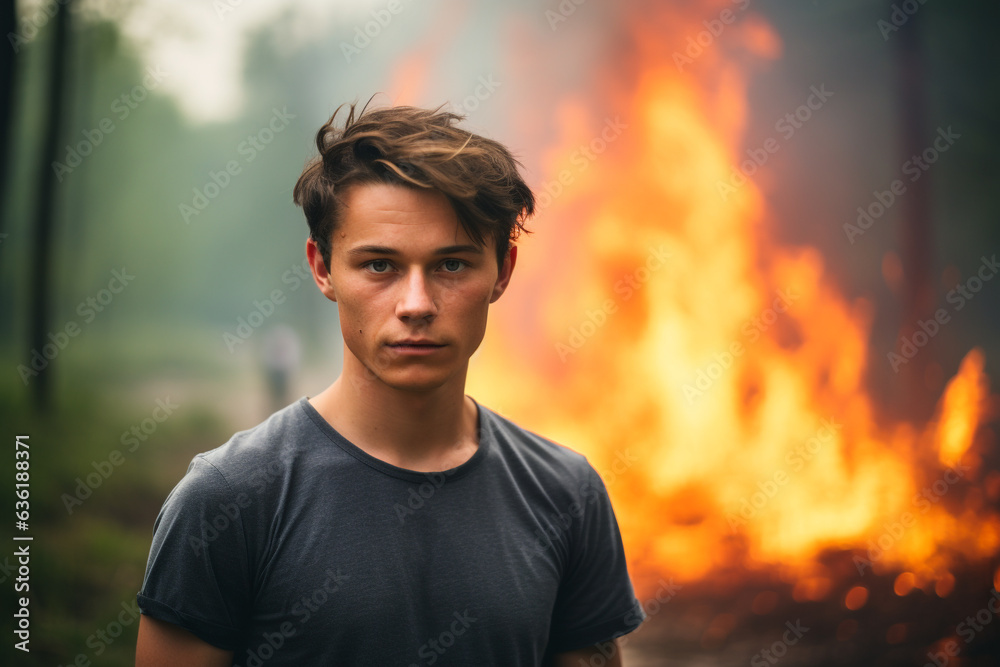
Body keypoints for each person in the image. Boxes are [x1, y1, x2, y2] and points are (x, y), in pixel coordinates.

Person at [135, 101, 645, 667]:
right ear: (323, 268)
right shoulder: (228, 499)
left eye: (452, 265)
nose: (416, 305)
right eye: (379, 265)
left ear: (503, 271)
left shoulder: (567, 494)